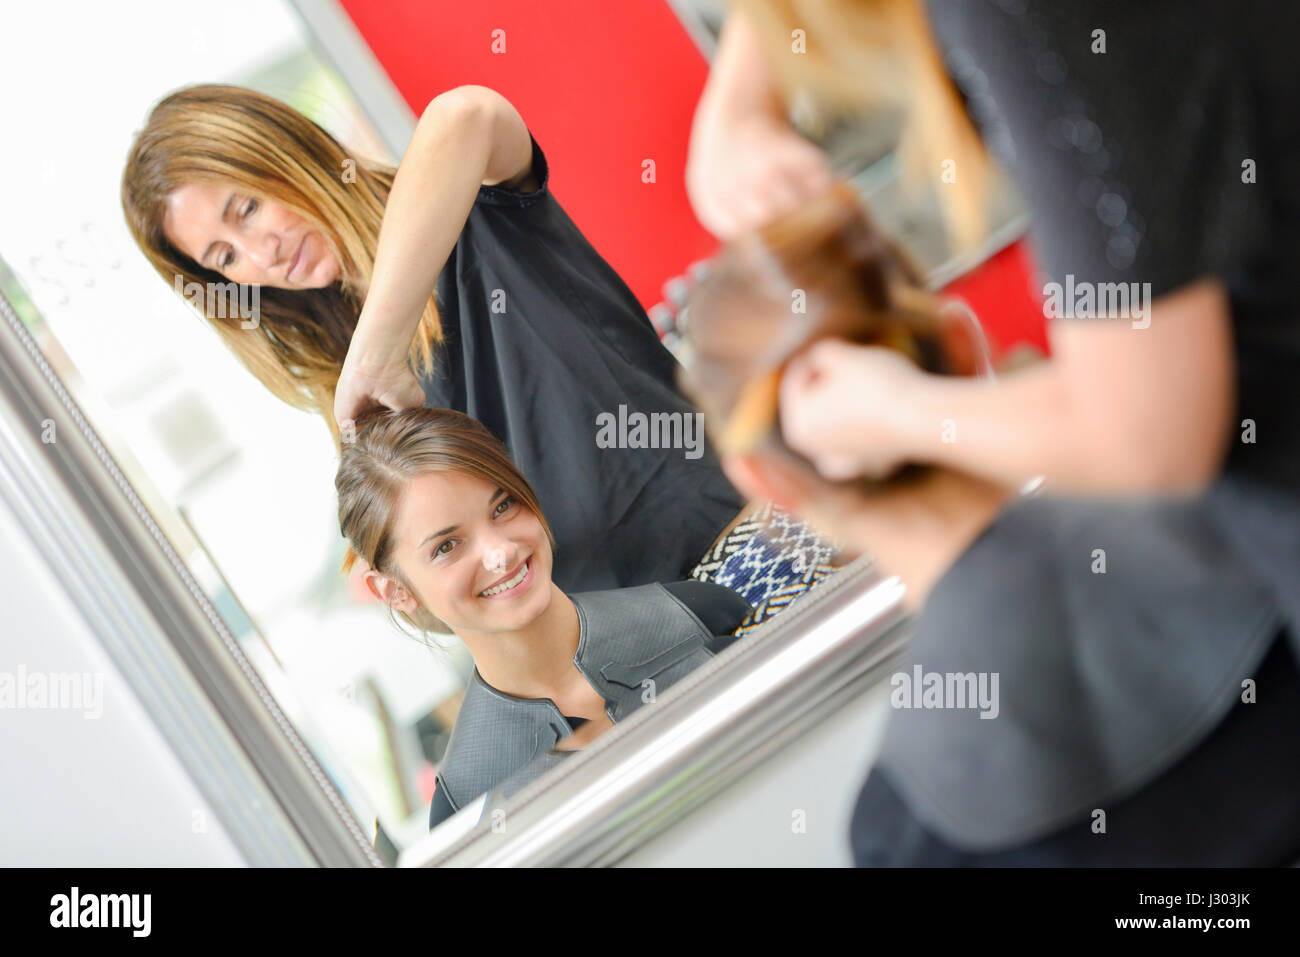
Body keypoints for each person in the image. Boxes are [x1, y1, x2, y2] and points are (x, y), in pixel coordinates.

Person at [687, 0, 1300, 864]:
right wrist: (743, 94)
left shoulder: (909, 830)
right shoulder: (1240, 564)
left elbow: (1148, 431)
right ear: (964, 345)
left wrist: (896, 412)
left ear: (772, 482)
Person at [120, 83, 745, 593]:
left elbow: (466, 114)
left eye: (248, 208)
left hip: (735, 541)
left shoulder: (470, 209)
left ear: (287, 153)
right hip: (626, 640)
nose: (263, 254)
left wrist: (378, 352)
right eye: (225, 256)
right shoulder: (343, 375)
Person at [334, 406, 752, 828]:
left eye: (503, 506)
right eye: (447, 546)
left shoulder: (699, 616)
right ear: (394, 591)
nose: (500, 552)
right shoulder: (466, 805)